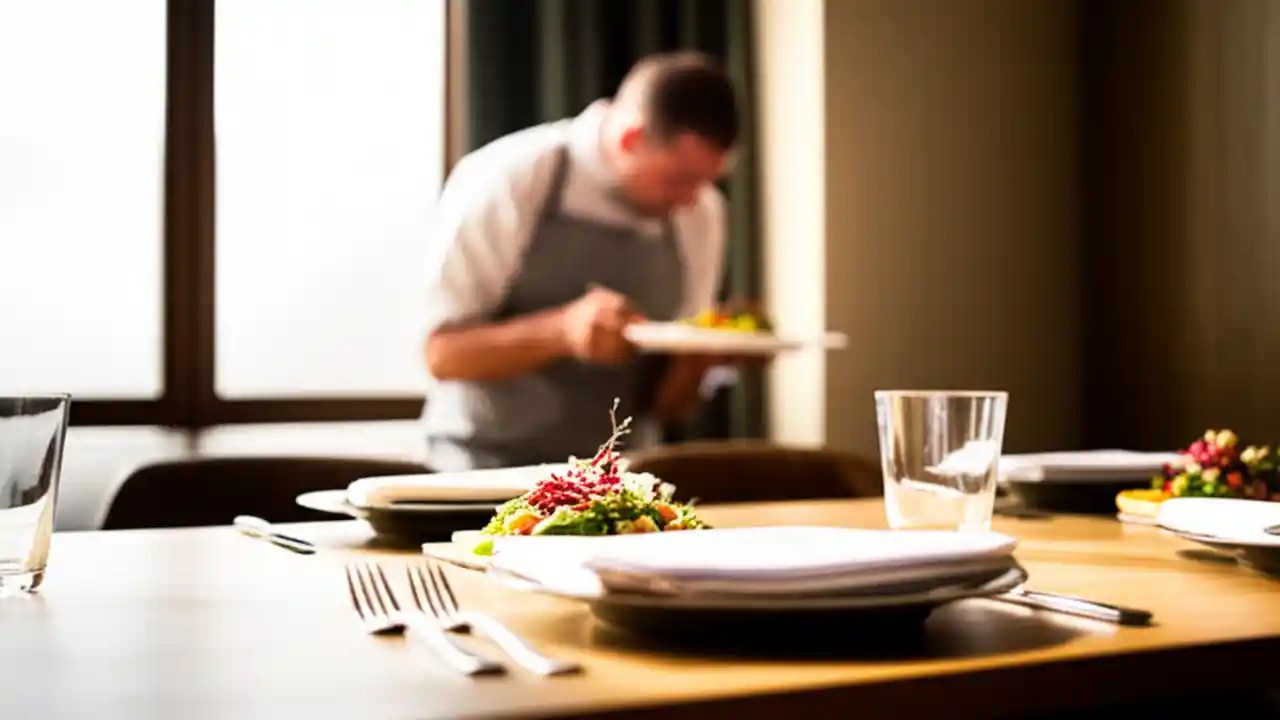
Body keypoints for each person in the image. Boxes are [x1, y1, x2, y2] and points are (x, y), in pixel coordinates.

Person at [420, 52, 738, 471]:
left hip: (618, 476)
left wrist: (707, 356)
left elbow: (666, 406)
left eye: (704, 182)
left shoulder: (700, 212)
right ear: (630, 139)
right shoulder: (512, 177)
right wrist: (562, 331)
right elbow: (442, 354)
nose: (690, 199)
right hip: (480, 468)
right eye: (677, 180)